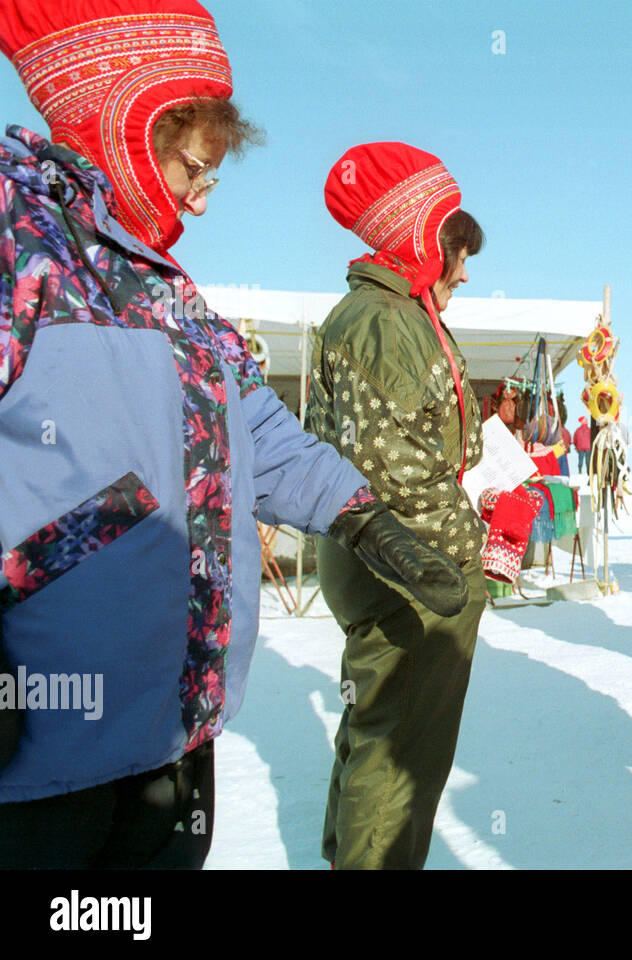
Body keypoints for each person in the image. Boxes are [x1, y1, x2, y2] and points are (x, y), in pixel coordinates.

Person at [0, 0, 463, 869]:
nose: (200, 204)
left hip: (171, 731)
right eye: (192, 170)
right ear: (122, 125)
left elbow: (255, 424)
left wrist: (365, 518)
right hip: (40, 752)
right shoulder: (15, 245)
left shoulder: (165, 288)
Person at [307, 141, 486, 869]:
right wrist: (474, 542)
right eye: (457, 249)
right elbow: (398, 474)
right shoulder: (381, 321)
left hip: (404, 557)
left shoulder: (398, 314)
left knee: (380, 727)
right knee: (399, 746)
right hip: (406, 566)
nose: (465, 272)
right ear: (420, 238)